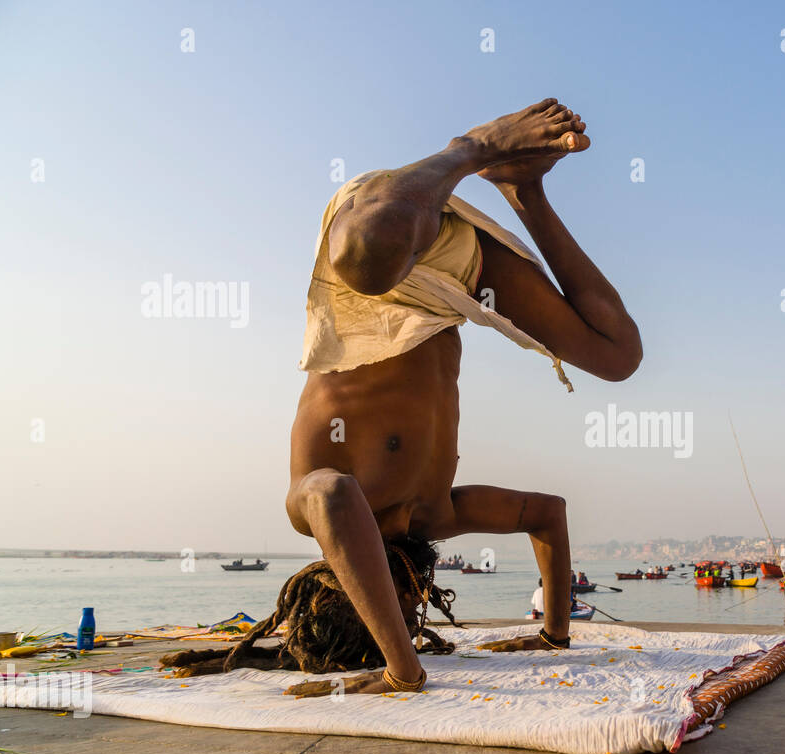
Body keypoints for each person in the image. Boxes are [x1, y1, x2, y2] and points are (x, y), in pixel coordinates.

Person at [161, 100, 641, 695]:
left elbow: (335, 495)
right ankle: (524, 190)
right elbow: (550, 513)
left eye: (402, 612)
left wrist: (402, 670)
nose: (418, 603)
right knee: (618, 356)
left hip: (379, 256)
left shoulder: (310, 506)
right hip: (451, 286)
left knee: (368, 252)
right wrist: (554, 636)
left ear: (344, 578)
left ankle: (470, 148)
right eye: (411, 618)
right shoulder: (437, 514)